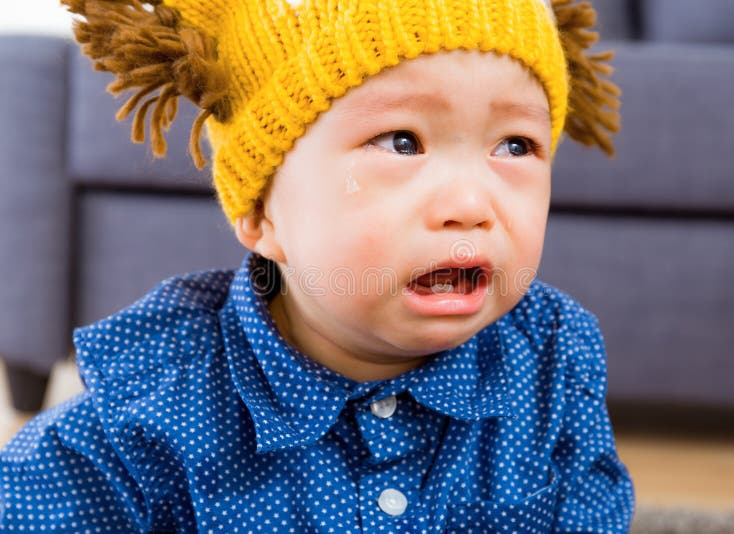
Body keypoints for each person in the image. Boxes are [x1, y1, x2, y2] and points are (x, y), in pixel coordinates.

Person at [0, 0, 635, 531]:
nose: (471, 205)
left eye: (515, 145)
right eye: (402, 142)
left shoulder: (552, 361)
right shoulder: (161, 410)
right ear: (263, 212)